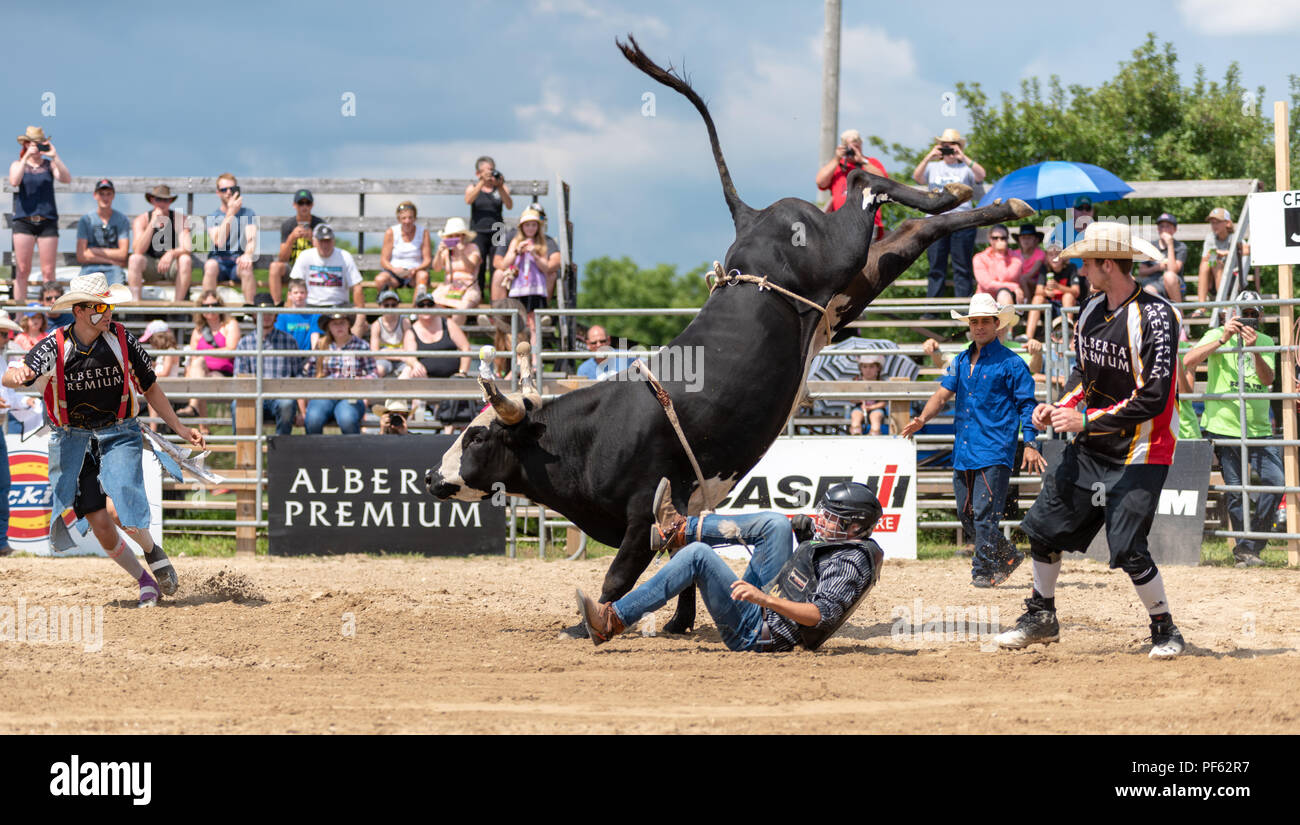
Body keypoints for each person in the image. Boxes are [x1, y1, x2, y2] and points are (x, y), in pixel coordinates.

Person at [997, 222, 1186, 659]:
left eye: (1087, 262)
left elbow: (1155, 399)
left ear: (1108, 264)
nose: (1079, 269)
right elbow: (1084, 375)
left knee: (1128, 549)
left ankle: (1165, 629)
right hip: (1091, 443)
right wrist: (1059, 406)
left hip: (1141, 449)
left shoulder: (1157, 317)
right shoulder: (1089, 309)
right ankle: (1041, 615)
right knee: (1042, 531)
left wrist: (1084, 420)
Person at [1, 272, 205, 603]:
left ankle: (152, 552)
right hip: (73, 440)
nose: (108, 313)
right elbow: (15, 375)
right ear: (80, 310)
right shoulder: (54, 345)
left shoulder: (122, 339)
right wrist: (18, 374)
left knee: (118, 510)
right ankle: (145, 581)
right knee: (100, 523)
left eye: (108, 306)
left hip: (120, 432)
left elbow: (150, 386)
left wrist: (180, 428)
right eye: (100, 307)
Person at [576, 479, 885, 651]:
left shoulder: (850, 563)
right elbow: (813, 557)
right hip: (771, 605)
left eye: (831, 518)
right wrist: (803, 530)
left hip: (759, 632)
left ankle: (611, 622)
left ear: (855, 528)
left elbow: (820, 616)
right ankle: (679, 529)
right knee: (776, 524)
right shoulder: (843, 543)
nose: (822, 520)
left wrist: (763, 599)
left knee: (698, 555)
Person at [901, 295, 1044, 586]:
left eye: (984, 322)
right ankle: (1006, 555)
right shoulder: (962, 360)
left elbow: (1027, 405)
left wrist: (1030, 443)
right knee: (967, 513)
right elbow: (942, 396)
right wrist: (922, 419)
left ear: (996, 324)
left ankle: (984, 571)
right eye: (974, 322)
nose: (979, 327)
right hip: (966, 449)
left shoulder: (1013, 364)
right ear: (969, 325)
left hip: (995, 449)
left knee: (983, 514)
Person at [1182, 290, 1279, 567]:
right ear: (1231, 313)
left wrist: (1254, 352)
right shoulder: (1216, 335)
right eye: (1243, 313)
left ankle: (1250, 545)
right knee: (1235, 491)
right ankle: (1245, 550)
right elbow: (1188, 361)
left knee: (1276, 482)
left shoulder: (1263, 340)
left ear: (1259, 316)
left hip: (1259, 429)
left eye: (1253, 314)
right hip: (1223, 428)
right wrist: (1223, 338)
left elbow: (1267, 378)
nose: (1248, 319)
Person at [912, 128, 985, 300]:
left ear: (959, 147)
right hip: (936, 220)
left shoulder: (965, 168)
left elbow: (981, 175)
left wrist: (963, 157)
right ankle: (933, 308)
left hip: (961, 220)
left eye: (952, 145)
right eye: (944, 145)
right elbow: (917, 177)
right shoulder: (932, 166)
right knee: (936, 266)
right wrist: (930, 155)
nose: (948, 149)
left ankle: (964, 306)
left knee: (962, 266)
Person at [10, 126, 71, 302]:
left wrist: (55, 156)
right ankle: (20, 314)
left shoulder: (49, 165)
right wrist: (26, 157)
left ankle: (49, 313)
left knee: (48, 271)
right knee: (22, 269)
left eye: (39, 144)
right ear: (26, 144)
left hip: (47, 221)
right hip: (24, 220)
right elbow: (15, 180)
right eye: (32, 143)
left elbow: (66, 179)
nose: (36, 147)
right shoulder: (17, 164)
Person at [233, 292, 304, 436]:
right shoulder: (244, 343)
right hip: (252, 396)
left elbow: (298, 376)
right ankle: (244, 455)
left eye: (269, 312)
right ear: (253, 315)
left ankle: (281, 453)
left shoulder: (289, 341)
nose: (266, 316)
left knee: (287, 404)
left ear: (275, 314)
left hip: (280, 396)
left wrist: (303, 410)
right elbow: (239, 378)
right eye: (261, 312)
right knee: (237, 406)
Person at [302, 312, 377, 434]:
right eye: (334, 324)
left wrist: (361, 380)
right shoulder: (322, 345)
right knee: (313, 419)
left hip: (351, 395)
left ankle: (352, 452)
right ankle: (315, 452)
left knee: (347, 419)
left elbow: (374, 373)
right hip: (324, 393)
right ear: (329, 327)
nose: (339, 327)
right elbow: (311, 373)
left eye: (342, 323)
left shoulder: (361, 346)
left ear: (349, 324)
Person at [494, 207, 560, 340]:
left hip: (535, 288)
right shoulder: (514, 242)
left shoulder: (543, 243)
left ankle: (535, 356)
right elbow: (504, 263)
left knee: (533, 324)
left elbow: (547, 267)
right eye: (527, 225)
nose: (530, 228)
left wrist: (534, 253)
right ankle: (519, 356)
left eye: (534, 225)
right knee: (518, 324)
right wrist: (516, 252)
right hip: (519, 289)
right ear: (522, 227)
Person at [177, 291, 241, 425]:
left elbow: (231, 350)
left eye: (214, 305)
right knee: (198, 366)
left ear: (220, 306)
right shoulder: (198, 330)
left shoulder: (229, 324)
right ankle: (202, 425)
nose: (210, 309)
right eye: (206, 306)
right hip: (201, 373)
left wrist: (205, 351)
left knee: (199, 374)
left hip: (223, 374)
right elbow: (192, 357)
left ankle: (197, 415)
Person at [815, 129, 888, 239]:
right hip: (840, 223)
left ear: (861, 145)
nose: (852, 150)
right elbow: (820, 182)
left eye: (856, 146)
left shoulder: (870, 163)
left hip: (867, 223)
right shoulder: (837, 166)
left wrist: (862, 160)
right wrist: (837, 158)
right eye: (849, 147)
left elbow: (885, 182)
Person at [127, 184, 194, 302]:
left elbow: (187, 247)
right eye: (159, 199)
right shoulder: (141, 220)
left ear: (170, 201)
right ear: (152, 200)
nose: (162, 203)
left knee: (185, 260)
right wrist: (152, 222)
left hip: (172, 266)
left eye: (166, 200)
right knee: (134, 259)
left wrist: (171, 253)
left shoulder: (180, 219)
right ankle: (136, 304)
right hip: (151, 266)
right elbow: (138, 250)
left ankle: (177, 307)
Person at [203, 173, 258, 303]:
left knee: (246, 267)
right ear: (218, 193)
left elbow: (251, 239)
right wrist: (231, 213)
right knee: (210, 266)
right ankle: (208, 308)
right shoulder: (213, 216)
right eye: (224, 189)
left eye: (231, 189)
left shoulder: (248, 213)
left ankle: (252, 312)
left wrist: (248, 254)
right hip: (219, 261)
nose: (228, 192)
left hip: (237, 262)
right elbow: (219, 242)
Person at [288, 224, 364, 313]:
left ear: (333, 241)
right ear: (314, 242)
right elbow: (293, 286)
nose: (325, 245)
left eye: (328, 241)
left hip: (339, 305)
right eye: (321, 241)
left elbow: (357, 287)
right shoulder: (305, 256)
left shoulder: (345, 256)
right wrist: (290, 315)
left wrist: (360, 316)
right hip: (311, 305)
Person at [464, 155, 512, 295]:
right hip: (478, 230)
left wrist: (500, 185)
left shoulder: (500, 188)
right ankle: (478, 297)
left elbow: (509, 205)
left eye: (491, 170)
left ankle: (495, 300)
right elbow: (468, 200)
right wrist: (481, 183)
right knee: (478, 264)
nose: (489, 174)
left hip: (498, 229)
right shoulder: (473, 187)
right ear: (478, 173)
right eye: (486, 171)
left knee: (496, 265)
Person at [269, 189, 324, 304]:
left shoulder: (319, 225)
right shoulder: (288, 225)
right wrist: (291, 238)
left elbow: (326, 253)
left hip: (313, 268)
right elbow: (282, 258)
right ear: (294, 205)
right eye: (300, 203)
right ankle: (277, 305)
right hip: (292, 267)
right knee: (275, 267)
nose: (304, 206)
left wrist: (312, 239)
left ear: (312, 205)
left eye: (307, 203)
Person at [399, 292, 471, 380]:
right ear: (415, 308)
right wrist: (415, 364)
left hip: (453, 377)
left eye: (430, 304)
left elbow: (465, 347)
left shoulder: (448, 323)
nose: (426, 308)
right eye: (421, 305)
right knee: (407, 372)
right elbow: (409, 356)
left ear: (435, 307)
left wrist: (462, 373)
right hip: (424, 378)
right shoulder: (411, 331)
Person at [75, 179, 131, 286]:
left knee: (116, 294)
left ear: (113, 196)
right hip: (90, 267)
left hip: (113, 269)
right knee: (83, 297)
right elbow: (81, 256)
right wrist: (111, 260)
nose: (105, 198)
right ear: (95, 195)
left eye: (108, 194)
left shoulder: (122, 220)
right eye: (101, 194)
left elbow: (123, 254)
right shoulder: (86, 220)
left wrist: (93, 250)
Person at [1024, 243, 1085, 342]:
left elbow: (1076, 291)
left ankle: (1067, 333)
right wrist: (1046, 292)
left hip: (1067, 306)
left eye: (1057, 254)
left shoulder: (1071, 268)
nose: (1054, 257)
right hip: (1050, 307)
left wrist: (1058, 287)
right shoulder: (1044, 269)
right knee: (1037, 298)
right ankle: (1028, 337)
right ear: (1046, 257)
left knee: (1068, 296)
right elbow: (1038, 291)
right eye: (1050, 255)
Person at [430, 217, 483, 326]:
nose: (454, 239)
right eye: (451, 236)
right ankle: (443, 336)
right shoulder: (446, 251)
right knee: (436, 308)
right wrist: (439, 253)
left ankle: (455, 338)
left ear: (463, 236)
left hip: (468, 289)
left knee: (459, 311)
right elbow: (436, 268)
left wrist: (461, 252)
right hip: (448, 288)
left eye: (457, 236)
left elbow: (471, 268)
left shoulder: (473, 248)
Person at [1195, 207, 1250, 308]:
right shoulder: (1210, 238)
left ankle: (1223, 308)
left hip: (1233, 281)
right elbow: (1205, 261)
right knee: (1206, 265)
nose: (1214, 225)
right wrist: (1213, 255)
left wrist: (1226, 253)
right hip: (1213, 282)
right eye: (1212, 223)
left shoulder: (1235, 237)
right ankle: (1201, 307)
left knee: (1218, 265)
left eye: (1217, 222)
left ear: (1227, 223)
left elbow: (1248, 250)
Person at [378, 201, 432, 294]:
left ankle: (418, 307)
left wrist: (415, 269)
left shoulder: (423, 232)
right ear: (399, 219)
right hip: (394, 274)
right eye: (404, 218)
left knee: (423, 276)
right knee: (380, 279)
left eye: (410, 218)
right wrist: (394, 270)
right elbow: (383, 260)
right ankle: (386, 306)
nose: (407, 221)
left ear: (415, 218)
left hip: (415, 274)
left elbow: (427, 260)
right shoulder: (391, 232)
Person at [1134, 212, 1186, 305]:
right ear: (1158, 229)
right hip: (1154, 283)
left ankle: (1179, 312)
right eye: (1161, 226)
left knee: (1169, 276)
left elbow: (1173, 270)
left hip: (1175, 286)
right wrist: (1157, 268)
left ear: (1174, 229)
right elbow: (1141, 271)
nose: (1164, 229)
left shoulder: (1180, 247)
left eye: (1167, 226)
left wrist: (1170, 244)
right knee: (1148, 290)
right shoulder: (1151, 246)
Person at [139, 320, 180, 431]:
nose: (152, 343)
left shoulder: (169, 351)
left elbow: (165, 372)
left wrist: (148, 373)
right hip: (163, 384)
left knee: (151, 398)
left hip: (168, 385)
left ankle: (153, 429)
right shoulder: (165, 352)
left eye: (152, 340)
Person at [972, 224, 1025, 305]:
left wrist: (1000, 254)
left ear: (1007, 239)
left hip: (1009, 297)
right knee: (1000, 294)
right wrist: (1014, 286)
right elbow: (987, 285)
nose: (999, 241)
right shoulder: (979, 258)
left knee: (1004, 294)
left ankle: (1006, 317)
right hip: (984, 300)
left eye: (1003, 238)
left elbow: (1004, 277)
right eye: (995, 238)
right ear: (990, 239)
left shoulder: (1017, 257)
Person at [370, 290, 413, 378]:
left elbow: (409, 348)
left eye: (393, 305)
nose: (390, 307)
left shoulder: (405, 321)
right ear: (380, 306)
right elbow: (374, 353)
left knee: (408, 371)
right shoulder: (376, 325)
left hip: (401, 360)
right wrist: (399, 354)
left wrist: (385, 352)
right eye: (386, 305)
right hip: (384, 360)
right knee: (378, 371)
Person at [274, 278, 320, 351]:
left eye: (302, 292)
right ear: (289, 295)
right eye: (295, 293)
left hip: (308, 356)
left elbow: (315, 337)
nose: (299, 295)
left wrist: (312, 358)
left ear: (307, 294)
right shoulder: (282, 316)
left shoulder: (315, 315)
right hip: (288, 356)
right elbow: (280, 339)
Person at [849, 354, 889, 435]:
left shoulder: (881, 383)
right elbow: (851, 399)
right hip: (860, 407)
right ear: (861, 368)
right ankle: (856, 434)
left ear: (878, 368)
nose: (868, 370)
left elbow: (883, 402)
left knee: (876, 417)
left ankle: (874, 433)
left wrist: (870, 407)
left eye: (871, 367)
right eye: (865, 367)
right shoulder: (857, 382)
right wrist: (859, 399)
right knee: (855, 416)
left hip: (876, 408)